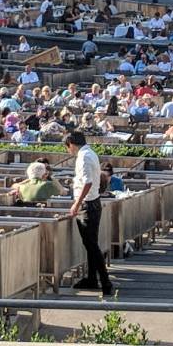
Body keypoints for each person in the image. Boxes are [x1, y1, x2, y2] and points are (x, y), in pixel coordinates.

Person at [64, 127, 112, 297]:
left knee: (92, 245)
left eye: (67, 147)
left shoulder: (83, 157)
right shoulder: (90, 152)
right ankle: (92, 278)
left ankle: (106, 282)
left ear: (71, 144)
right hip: (93, 202)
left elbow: (88, 182)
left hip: (87, 204)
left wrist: (76, 204)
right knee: (90, 244)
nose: (68, 150)